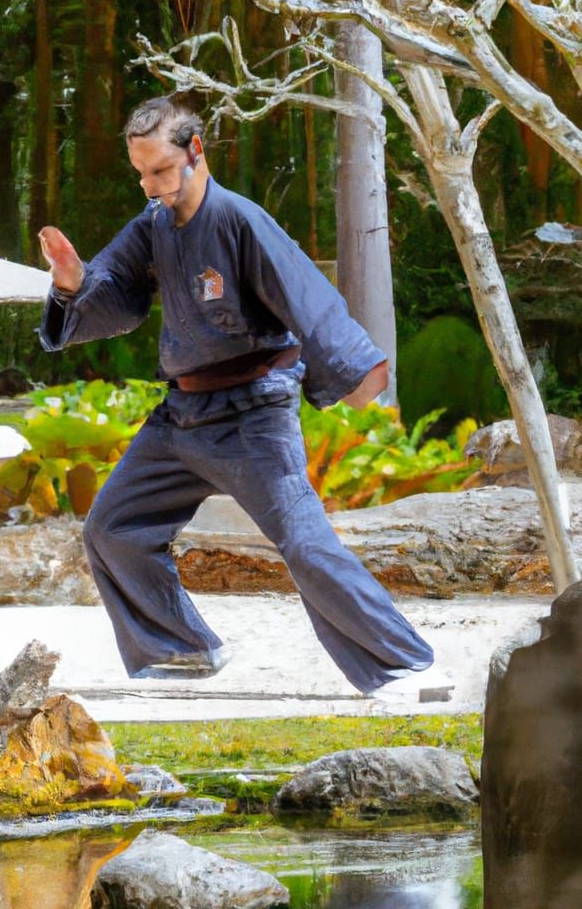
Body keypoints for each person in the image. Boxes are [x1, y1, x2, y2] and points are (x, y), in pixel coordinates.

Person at [37, 96, 435, 696]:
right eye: (141, 174)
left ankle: (405, 661)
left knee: (304, 545)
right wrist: (72, 285)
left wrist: (357, 371)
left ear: (196, 151)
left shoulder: (238, 220)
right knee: (113, 527)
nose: (150, 187)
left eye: (161, 172)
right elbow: (114, 291)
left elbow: (305, 294)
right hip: (182, 417)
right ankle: (182, 649)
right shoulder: (153, 226)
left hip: (254, 414)